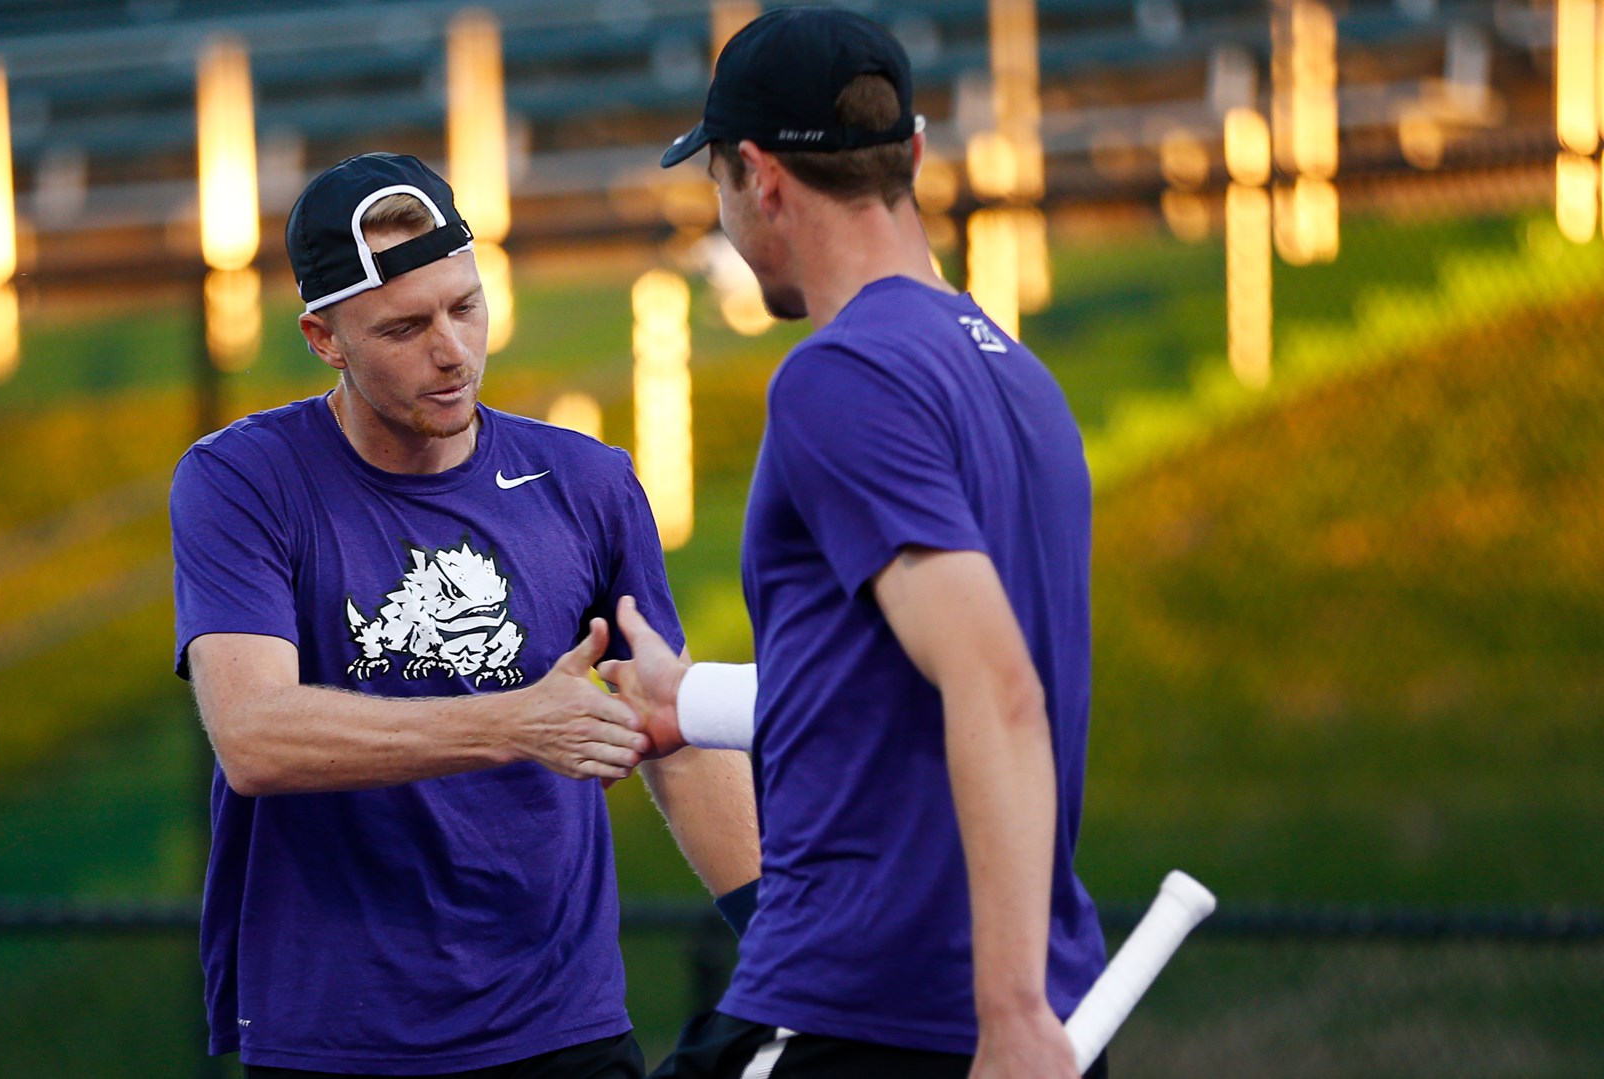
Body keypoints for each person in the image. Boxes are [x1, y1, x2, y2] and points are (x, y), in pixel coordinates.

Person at [596, 9, 1109, 1078]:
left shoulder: (844, 376)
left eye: (720, 189)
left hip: (882, 1009)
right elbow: (891, 687)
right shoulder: (1016, 374)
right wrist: (682, 702)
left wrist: (1010, 1013)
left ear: (758, 176)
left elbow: (995, 682)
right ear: (913, 153)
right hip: (1011, 1005)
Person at [170, 152, 758, 1078]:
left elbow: (671, 727)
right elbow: (255, 737)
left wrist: (773, 937)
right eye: (404, 326)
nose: (451, 350)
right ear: (324, 338)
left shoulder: (588, 482)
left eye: (466, 306)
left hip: (562, 1026)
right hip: (336, 1037)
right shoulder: (243, 479)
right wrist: (520, 722)